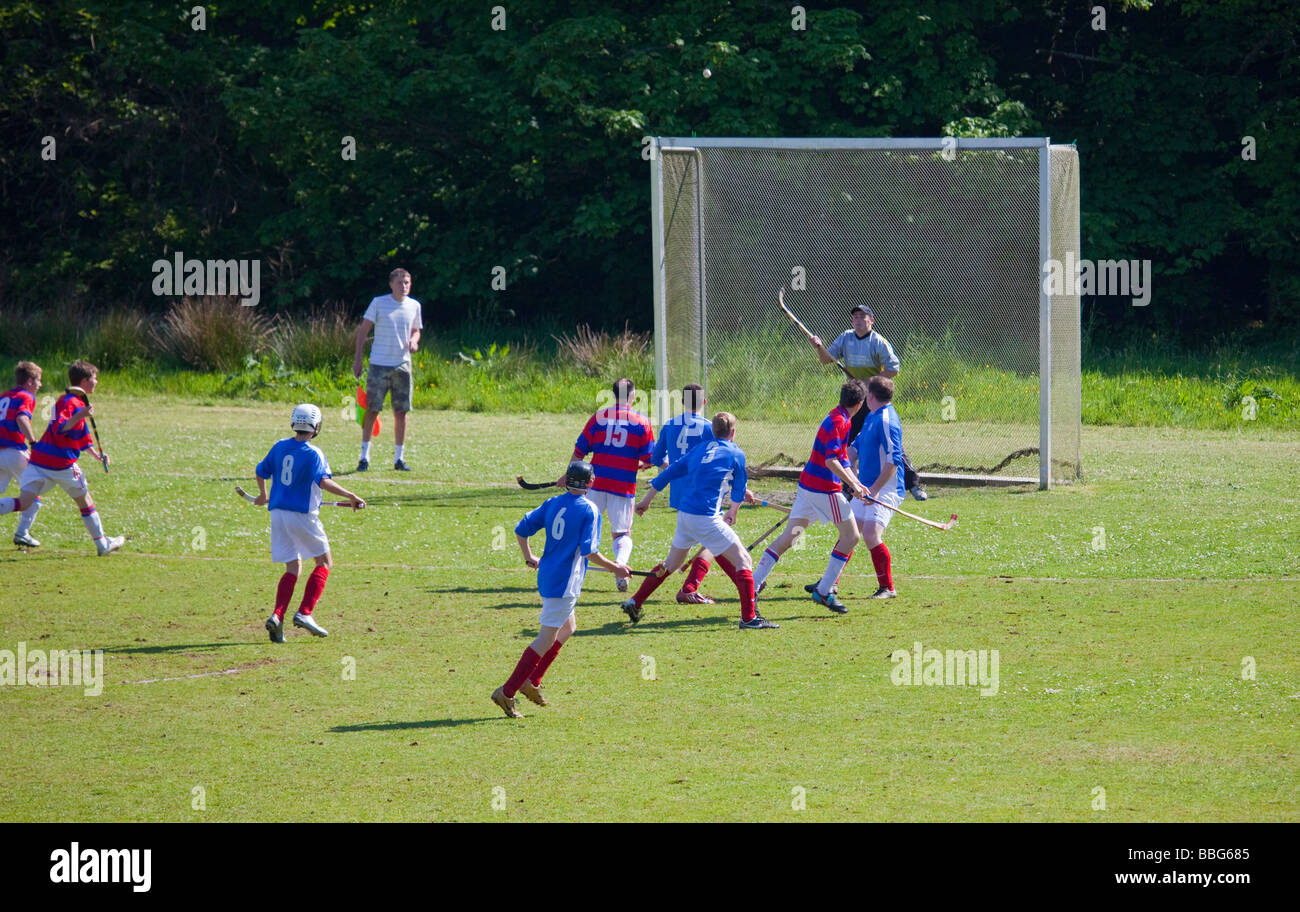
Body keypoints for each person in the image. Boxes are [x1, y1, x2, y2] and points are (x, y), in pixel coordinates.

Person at [492, 461, 630, 718]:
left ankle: (532, 680)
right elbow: (590, 551)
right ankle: (508, 691)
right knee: (546, 638)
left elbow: (521, 529)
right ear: (591, 483)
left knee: (568, 628)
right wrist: (616, 568)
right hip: (564, 582)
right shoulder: (590, 510)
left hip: (549, 576)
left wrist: (529, 556)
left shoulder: (553, 503)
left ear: (567, 481)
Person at [624, 412, 777, 630]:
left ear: (713, 431)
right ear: (733, 432)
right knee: (744, 560)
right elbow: (740, 488)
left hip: (685, 515)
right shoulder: (735, 452)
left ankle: (634, 602)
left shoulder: (700, 448)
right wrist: (733, 511)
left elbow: (669, 473)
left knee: (671, 565)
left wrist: (646, 500)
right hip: (705, 517)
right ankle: (749, 618)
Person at [751, 380, 870, 614]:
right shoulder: (839, 422)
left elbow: (842, 458)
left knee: (789, 538)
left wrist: (856, 483)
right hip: (823, 489)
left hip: (808, 487)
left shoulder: (839, 417)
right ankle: (824, 591)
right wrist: (850, 484)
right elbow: (831, 461)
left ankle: (753, 584)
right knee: (851, 537)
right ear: (860, 404)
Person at [254, 404, 365, 643]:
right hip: (302, 516)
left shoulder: (279, 446)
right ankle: (305, 612)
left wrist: (263, 495)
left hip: (278, 516)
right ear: (316, 427)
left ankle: (277, 616)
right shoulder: (314, 453)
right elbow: (323, 482)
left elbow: (260, 471)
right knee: (324, 562)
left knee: (293, 567)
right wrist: (350, 496)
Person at [0, 361, 123, 555]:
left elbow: (81, 439)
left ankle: (23, 532)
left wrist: (98, 456)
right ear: (84, 381)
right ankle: (102, 545)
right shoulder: (69, 402)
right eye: (94, 378)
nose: (97, 381)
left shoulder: (74, 402)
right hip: (59, 463)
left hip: (39, 461)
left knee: (24, 502)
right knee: (86, 502)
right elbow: (60, 428)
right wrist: (80, 415)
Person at [808, 303, 928, 501]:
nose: (858, 320)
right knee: (848, 443)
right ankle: (849, 487)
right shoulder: (846, 337)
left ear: (871, 320)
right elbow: (826, 360)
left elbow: (893, 368)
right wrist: (819, 347)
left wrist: (869, 383)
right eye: (854, 317)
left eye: (862, 317)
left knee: (891, 442)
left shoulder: (878, 342)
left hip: (873, 400)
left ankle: (913, 483)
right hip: (855, 399)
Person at [560, 377, 654, 593]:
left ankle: (568, 572)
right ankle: (620, 567)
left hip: (595, 483)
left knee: (582, 528)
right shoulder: (641, 421)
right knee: (621, 534)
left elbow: (579, 451)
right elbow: (650, 457)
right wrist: (646, 463)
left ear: (613, 395)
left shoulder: (598, 418)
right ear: (632, 396)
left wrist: (568, 475)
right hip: (623, 486)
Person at [651, 383, 735, 604]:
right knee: (715, 537)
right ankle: (691, 587)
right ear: (704, 402)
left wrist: (670, 468)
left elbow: (655, 458)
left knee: (706, 539)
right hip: (703, 494)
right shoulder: (710, 428)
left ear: (682, 402)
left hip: (679, 495)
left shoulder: (670, 425)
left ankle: (686, 586)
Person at [353, 267, 422, 472]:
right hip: (379, 364)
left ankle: (399, 459)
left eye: (407, 283)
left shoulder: (414, 306)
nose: (404, 286)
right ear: (391, 284)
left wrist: (414, 340)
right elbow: (363, 332)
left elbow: (416, 330)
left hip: (402, 365)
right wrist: (358, 360)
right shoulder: (379, 303)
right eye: (400, 282)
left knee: (401, 412)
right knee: (372, 410)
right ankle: (364, 457)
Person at [847, 376, 906, 599]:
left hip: (886, 489)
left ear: (871, 396)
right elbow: (852, 451)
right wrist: (851, 477)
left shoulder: (887, 420)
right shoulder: (871, 416)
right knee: (849, 533)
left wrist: (876, 490)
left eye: (866, 394)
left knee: (871, 533)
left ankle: (887, 588)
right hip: (866, 488)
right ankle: (828, 584)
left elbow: (894, 461)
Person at [0, 361, 45, 546]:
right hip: (14, 451)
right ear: (29, 382)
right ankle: (22, 533)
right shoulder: (26, 396)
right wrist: (33, 442)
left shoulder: (4, 395)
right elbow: (21, 417)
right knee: (35, 492)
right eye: (38, 380)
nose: (40, 385)